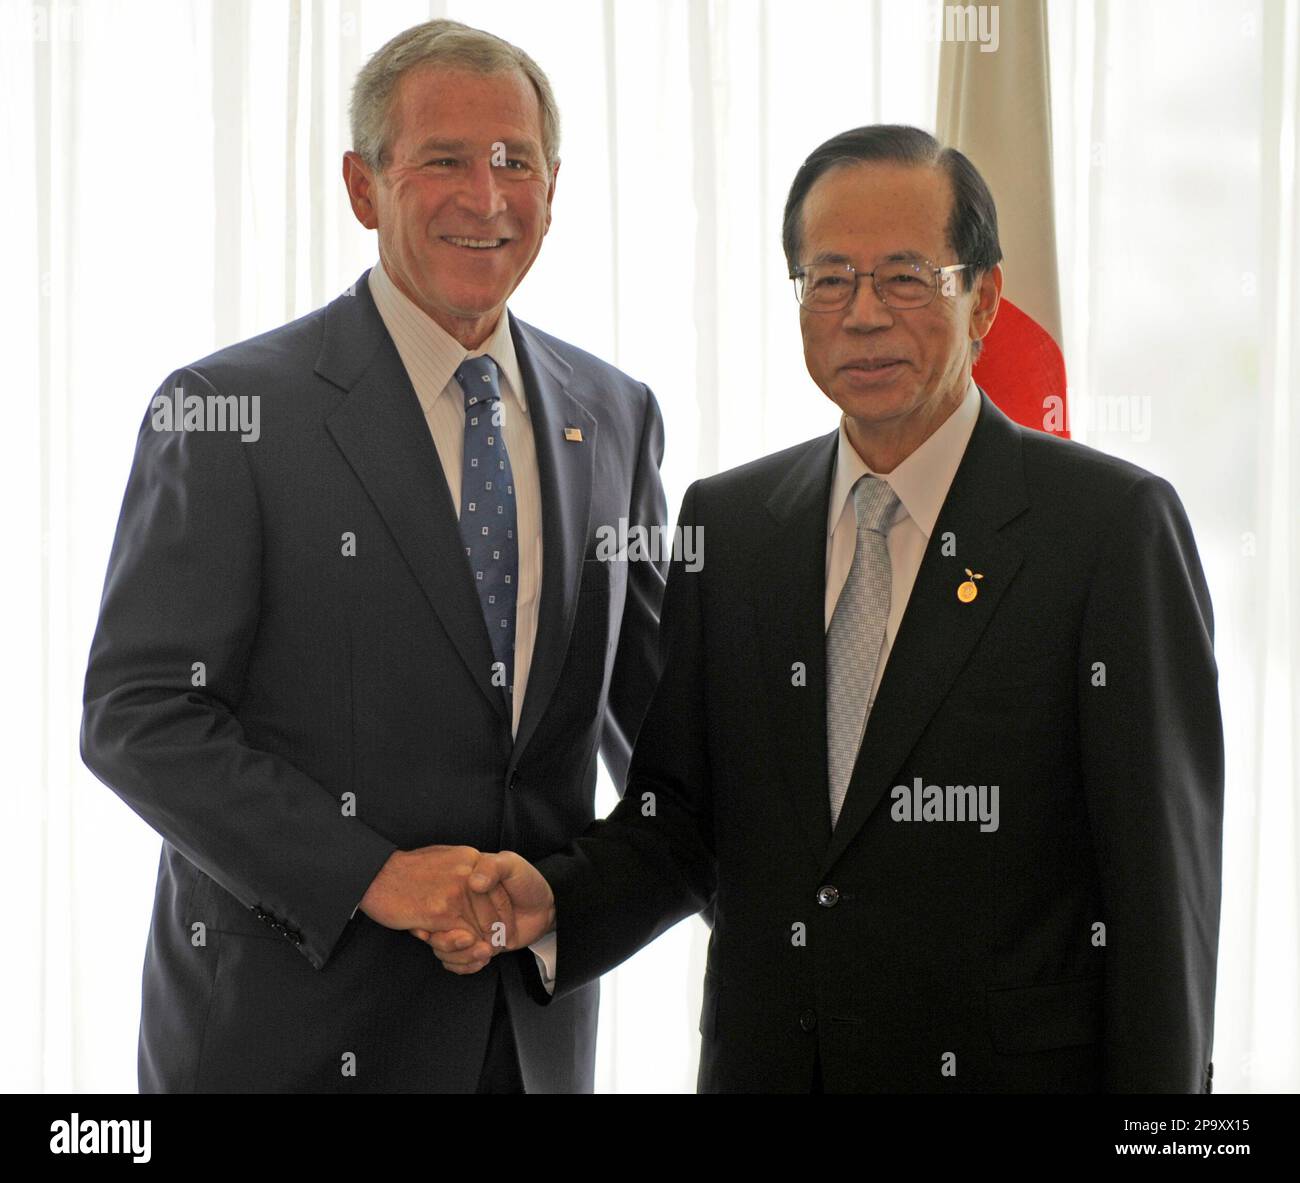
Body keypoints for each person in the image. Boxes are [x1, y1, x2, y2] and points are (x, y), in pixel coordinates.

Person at [429, 125, 1225, 1094]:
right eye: (829, 279)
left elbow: (1159, 893)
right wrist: (548, 899)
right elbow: (684, 820)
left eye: (904, 277)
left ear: (983, 300)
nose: (861, 316)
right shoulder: (730, 524)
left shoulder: (1107, 528)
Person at [80, 19, 668, 1093]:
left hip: (525, 1044)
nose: (485, 196)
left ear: (552, 183)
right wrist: (378, 877)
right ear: (363, 186)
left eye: (514, 160)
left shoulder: (615, 414)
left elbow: (665, 744)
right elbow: (140, 717)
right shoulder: (228, 411)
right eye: (442, 158)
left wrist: (575, 903)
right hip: (285, 1039)